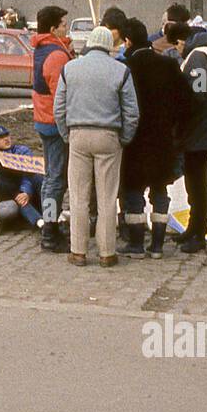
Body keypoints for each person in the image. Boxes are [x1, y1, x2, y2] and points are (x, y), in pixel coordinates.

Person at [54, 26, 139, 267]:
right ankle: (107, 253)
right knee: (107, 197)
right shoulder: (121, 70)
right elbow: (131, 112)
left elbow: (58, 109)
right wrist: (124, 138)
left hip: (78, 133)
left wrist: (66, 134)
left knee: (79, 197)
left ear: (90, 43)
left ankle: (78, 251)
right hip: (109, 135)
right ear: (110, 46)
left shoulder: (69, 69)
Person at [117, 19, 193, 259]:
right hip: (164, 139)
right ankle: (158, 245)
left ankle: (137, 244)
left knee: (133, 192)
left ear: (127, 41)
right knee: (160, 190)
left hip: (135, 141)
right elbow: (187, 102)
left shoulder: (127, 67)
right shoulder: (169, 64)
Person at [167, 22, 207, 254]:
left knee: (197, 183)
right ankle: (194, 228)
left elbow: (196, 93)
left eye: (178, 45)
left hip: (197, 132)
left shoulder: (197, 56)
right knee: (197, 181)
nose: (178, 49)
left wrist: (178, 116)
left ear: (184, 41)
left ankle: (198, 233)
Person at [30, 6, 73, 252]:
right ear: (54, 28)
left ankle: (50, 223)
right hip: (55, 124)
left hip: (43, 119)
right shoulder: (56, 55)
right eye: (64, 24)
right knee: (56, 179)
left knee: (51, 177)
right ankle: (49, 229)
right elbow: (61, 95)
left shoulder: (41, 49)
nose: (67, 28)